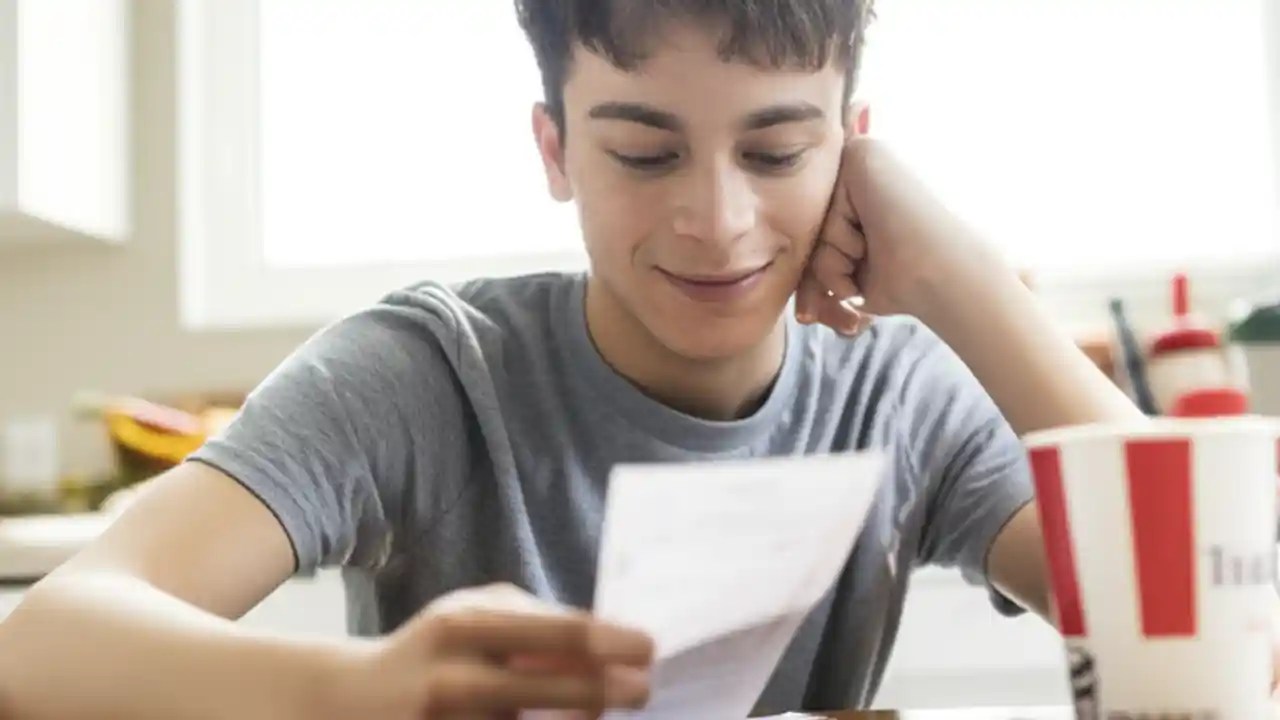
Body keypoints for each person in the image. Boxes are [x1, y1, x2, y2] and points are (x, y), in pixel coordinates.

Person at [0, 1, 1155, 718]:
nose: (718, 220)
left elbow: (1209, 622)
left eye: (777, 149)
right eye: (644, 154)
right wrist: (366, 697)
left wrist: (954, 280)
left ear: (851, 148)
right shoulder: (423, 375)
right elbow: (44, 645)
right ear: (553, 148)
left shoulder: (897, 388)